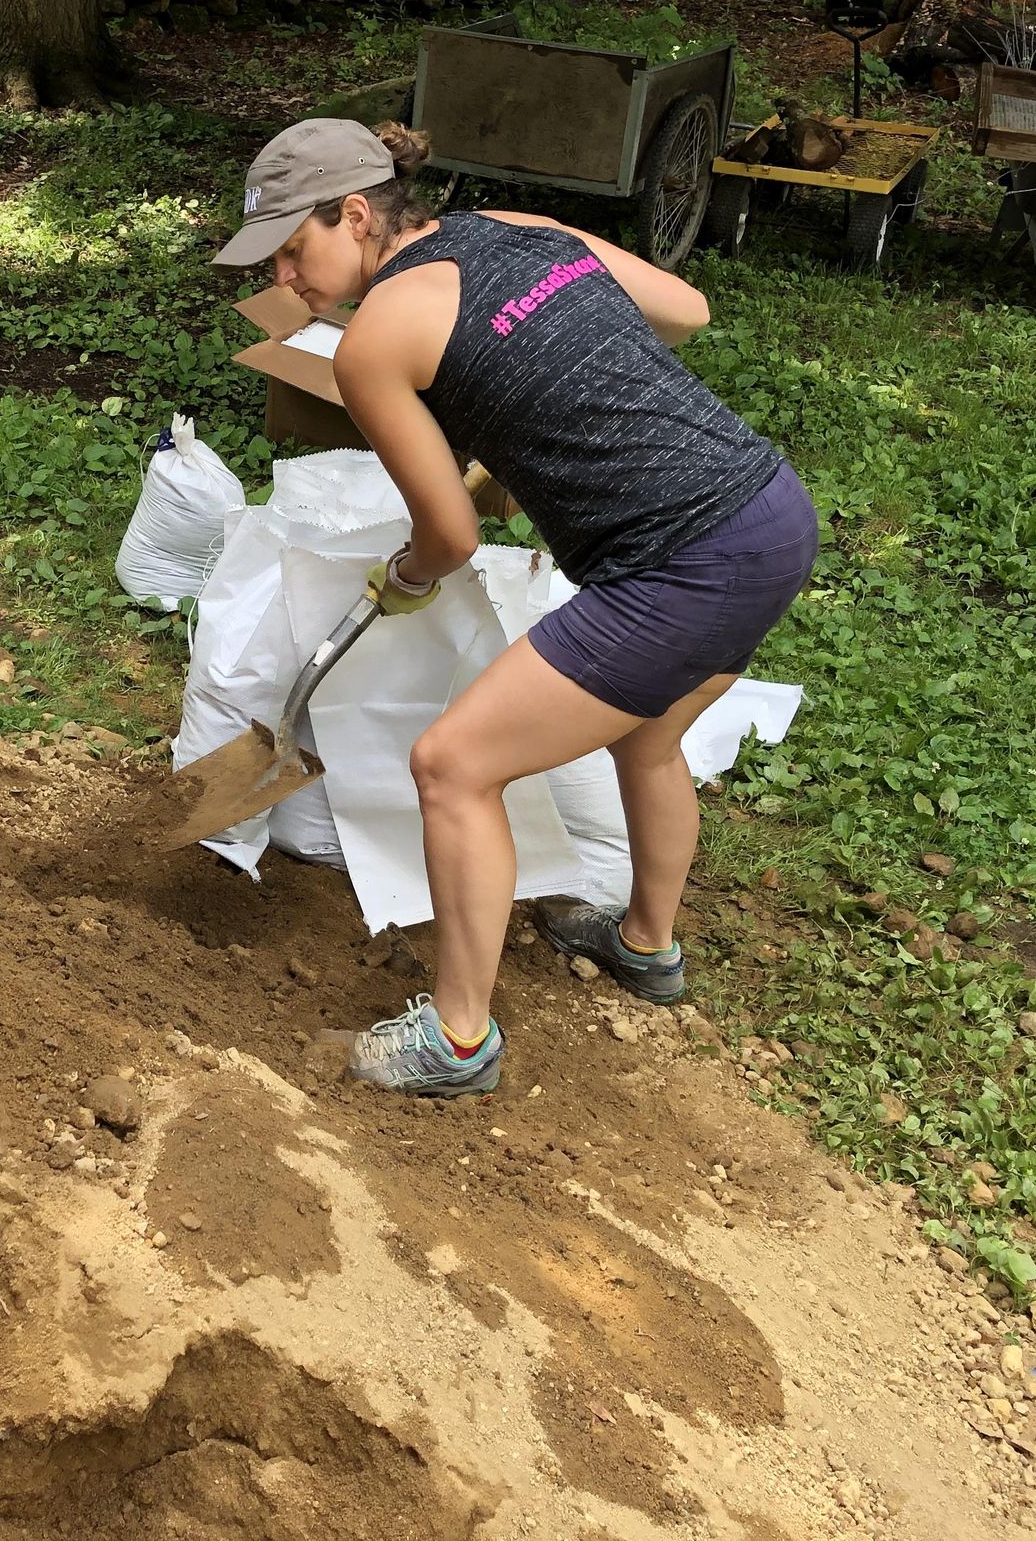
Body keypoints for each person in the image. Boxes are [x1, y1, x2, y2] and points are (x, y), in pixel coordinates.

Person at [211, 118, 817, 1097]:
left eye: (296, 247)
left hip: (683, 561)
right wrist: (557, 403)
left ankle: (455, 1040)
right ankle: (647, 949)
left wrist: (405, 579)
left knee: (451, 766)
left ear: (355, 213)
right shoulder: (515, 227)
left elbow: (447, 538)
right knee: (650, 734)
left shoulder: (373, 342)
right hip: (770, 515)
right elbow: (684, 309)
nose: (287, 279)